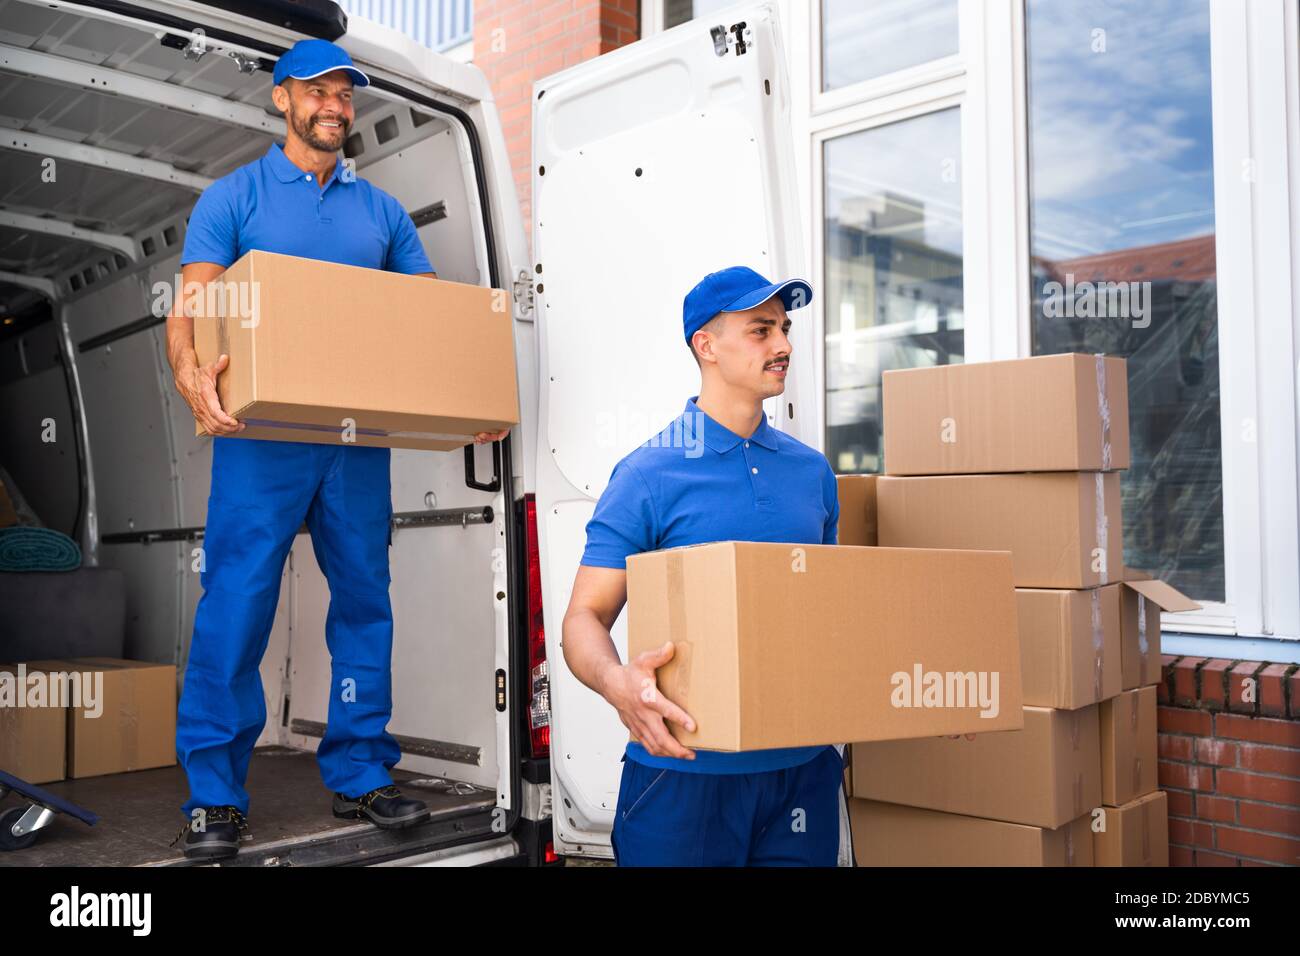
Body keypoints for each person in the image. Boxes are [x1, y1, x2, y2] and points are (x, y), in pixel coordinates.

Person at [165, 39, 508, 860]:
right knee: (238, 608)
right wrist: (190, 379)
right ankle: (214, 794)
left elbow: (430, 321)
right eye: (317, 93)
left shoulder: (380, 213)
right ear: (282, 99)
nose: (335, 107)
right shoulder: (234, 197)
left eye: (345, 96)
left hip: (355, 442)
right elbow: (191, 307)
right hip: (261, 440)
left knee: (365, 605)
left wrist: (473, 395)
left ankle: (359, 773)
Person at [560, 266, 844, 866]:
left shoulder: (812, 472)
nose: (784, 346)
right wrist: (618, 684)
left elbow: (831, 615)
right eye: (761, 330)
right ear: (706, 346)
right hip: (683, 773)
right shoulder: (648, 474)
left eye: (785, 329)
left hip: (803, 771)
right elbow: (584, 616)